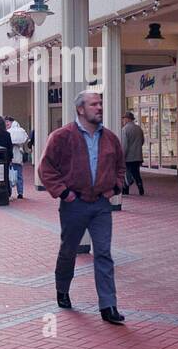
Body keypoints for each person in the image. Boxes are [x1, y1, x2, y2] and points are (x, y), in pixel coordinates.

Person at [38, 90, 126, 325]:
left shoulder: (110, 138)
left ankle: (108, 306)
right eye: (94, 104)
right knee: (69, 250)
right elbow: (45, 169)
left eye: (100, 104)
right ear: (80, 109)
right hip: (74, 203)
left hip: (101, 205)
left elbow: (120, 167)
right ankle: (62, 289)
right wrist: (64, 193)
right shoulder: (61, 136)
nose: (99, 107)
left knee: (104, 253)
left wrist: (115, 188)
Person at [121, 111, 145, 196]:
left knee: (126, 174)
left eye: (124, 119)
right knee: (136, 173)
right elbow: (142, 141)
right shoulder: (139, 128)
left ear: (127, 119)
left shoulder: (125, 129)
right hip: (138, 156)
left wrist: (122, 156)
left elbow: (124, 145)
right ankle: (140, 187)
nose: (123, 121)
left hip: (129, 157)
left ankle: (125, 190)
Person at [6, 117, 30, 199]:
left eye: (8, 123)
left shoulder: (9, 132)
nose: (7, 125)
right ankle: (20, 192)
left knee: (10, 176)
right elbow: (25, 139)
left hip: (11, 158)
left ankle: (9, 192)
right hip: (19, 158)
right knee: (19, 176)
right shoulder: (21, 131)